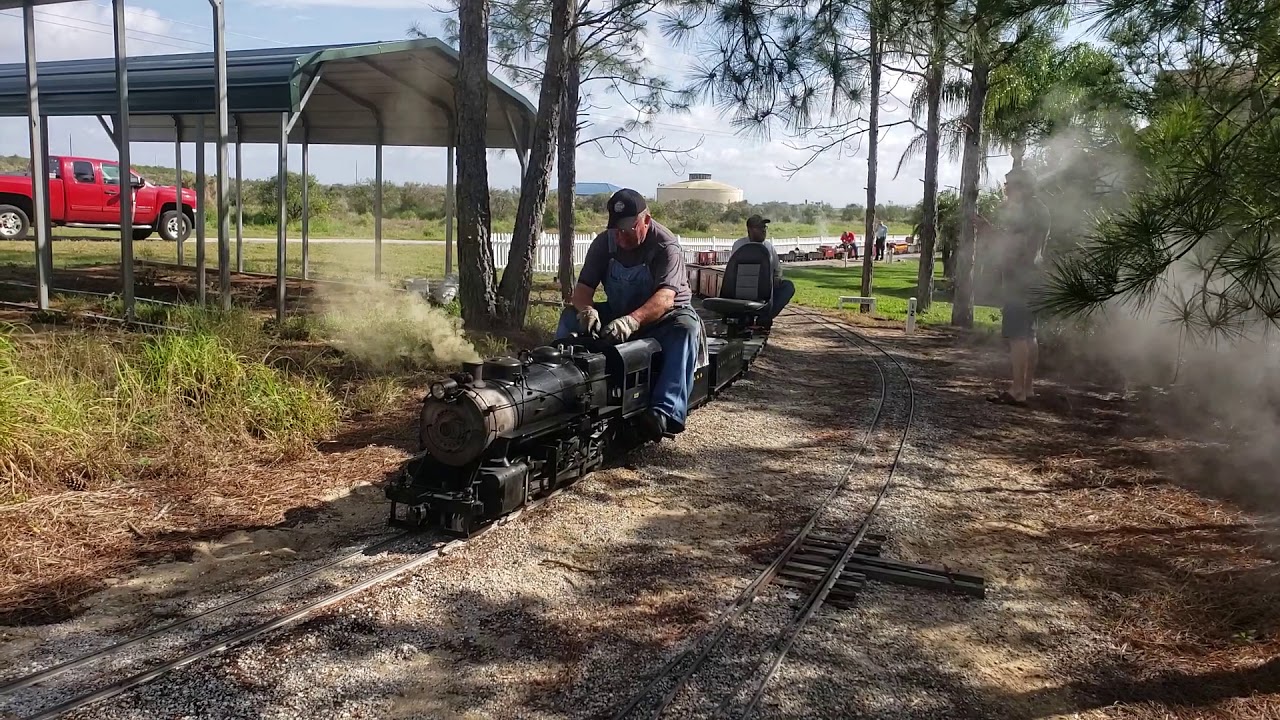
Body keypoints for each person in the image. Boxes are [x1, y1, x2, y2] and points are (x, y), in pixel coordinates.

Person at [556, 188, 704, 440]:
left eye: (628, 229)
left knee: (687, 329)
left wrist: (632, 321)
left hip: (664, 318)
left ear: (646, 220)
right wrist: (586, 310)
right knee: (569, 316)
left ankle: (664, 410)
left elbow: (665, 298)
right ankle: (558, 385)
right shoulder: (605, 242)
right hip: (619, 312)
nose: (621, 236)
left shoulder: (666, 246)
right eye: (617, 229)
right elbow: (581, 290)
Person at [989, 168, 1051, 406]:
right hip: (1035, 276)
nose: (1005, 189)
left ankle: (1017, 391)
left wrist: (988, 231)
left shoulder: (1026, 212)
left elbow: (1016, 246)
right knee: (1029, 334)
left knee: (1017, 335)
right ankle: (1027, 387)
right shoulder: (1040, 209)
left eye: (1008, 184)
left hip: (1020, 277)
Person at [730, 214, 795, 320]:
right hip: (743, 287)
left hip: (764, 288)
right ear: (750, 229)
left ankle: (765, 318)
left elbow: (777, 269)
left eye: (764, 227)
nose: (764, 230)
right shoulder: (739, 246)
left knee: (788, 286)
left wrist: (777, 278)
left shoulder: (769, 247)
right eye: (760, 227)